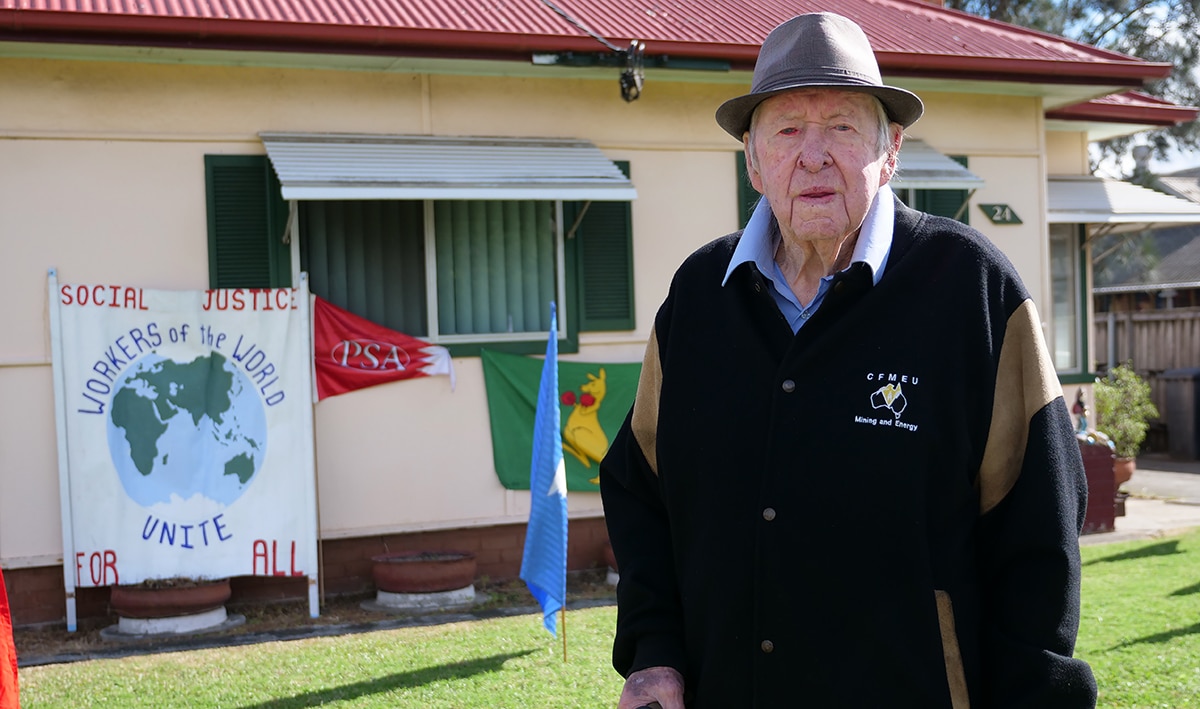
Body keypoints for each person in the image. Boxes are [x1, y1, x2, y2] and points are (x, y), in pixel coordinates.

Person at [599, 12, 1097, 709]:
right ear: (752, 159)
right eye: (787, 129)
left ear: (890, 148)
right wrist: (653, 651)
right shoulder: (697, 299)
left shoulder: (974, 290)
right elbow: (638, 488)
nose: (813, 155)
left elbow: (1039, 535)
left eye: (841, 126)